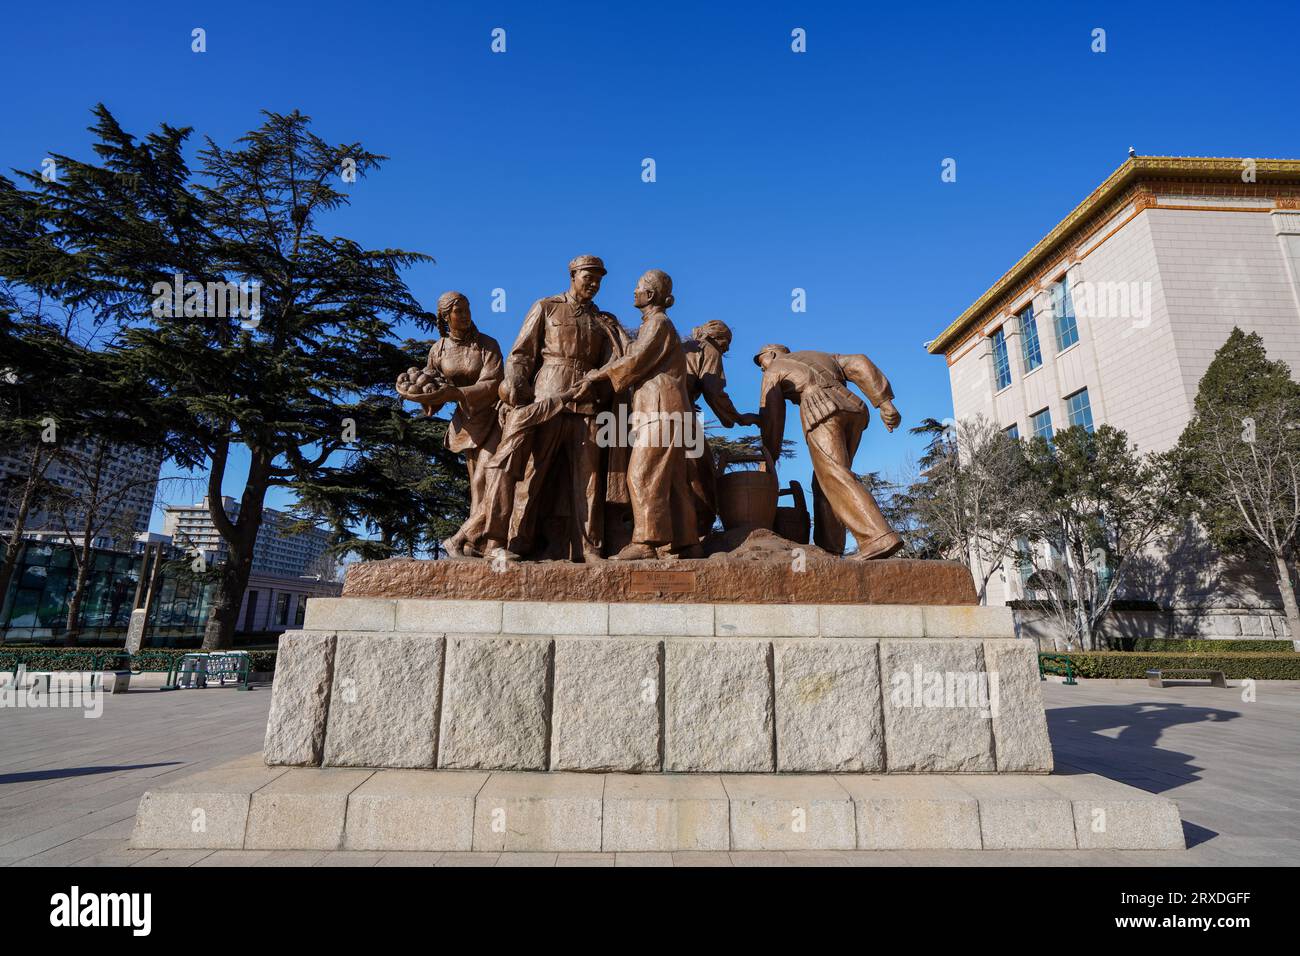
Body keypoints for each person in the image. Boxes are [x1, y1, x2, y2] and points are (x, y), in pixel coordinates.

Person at [491, 255, 630, 561]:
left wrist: (597, 379)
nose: (593, 284)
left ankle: (589, 547)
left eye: (598, 279)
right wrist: (515, 384)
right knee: (534, 472)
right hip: (547, 398)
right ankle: (518, 540)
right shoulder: (546, 307)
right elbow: (521, 354)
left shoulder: (603, 321)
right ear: (572, 275)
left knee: (589, 478)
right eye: (587, 277)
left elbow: (615, 360)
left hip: (587, 402)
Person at [576, 269, 698, 560]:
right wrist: (615, 329)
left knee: (641, 474)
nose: (633, 292)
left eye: (638, 287)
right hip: (671, 412)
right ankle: (688, 542)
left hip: (660, 410)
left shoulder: (658, 323)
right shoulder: (656, 326)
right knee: (673, 479)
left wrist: (598, 375)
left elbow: (635, 359)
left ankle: (646, 542)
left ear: (651, 295)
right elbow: (634, 349)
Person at [755, 344, 904, 559]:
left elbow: (773, 415)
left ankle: (878, 537)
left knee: (835, 475)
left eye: (762, 363)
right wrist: (883, 402)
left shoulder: (774, 369)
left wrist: (770, 453)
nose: (762, 369)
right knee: (824, 481)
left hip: (821, 407)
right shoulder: (822, 356)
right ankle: (831, 549)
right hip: (855, 409)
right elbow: (859, 361)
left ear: (772, 354)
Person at [398, 291, 503, 558]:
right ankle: (475, 543)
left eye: (468, 309)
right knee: (476, 486)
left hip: (494, 417)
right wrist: (428, 400)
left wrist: (456, 394)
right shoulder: (438, 349)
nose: (466, 315)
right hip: (465, 423)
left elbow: (493, 384)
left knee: (489, 478)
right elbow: (434, 385)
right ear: (446, 317)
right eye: (459, 311)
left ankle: (472, 539)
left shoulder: (487, 345)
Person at [681, 319, 760, 536]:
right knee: (703, 472)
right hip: (678, 418)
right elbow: (714, 390)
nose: (727, 349)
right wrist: (737, 418)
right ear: (718, 338)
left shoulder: (685, 347)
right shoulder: (709, 348)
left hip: (651, 415)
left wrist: (686, 397)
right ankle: (697, 533)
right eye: (726, 343)